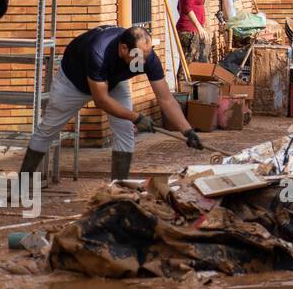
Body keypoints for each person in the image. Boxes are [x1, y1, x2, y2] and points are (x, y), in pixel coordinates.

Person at [18, 26, 202, 181]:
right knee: (47, 130)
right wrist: (135, 117)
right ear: (123, 48)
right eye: (137, 57)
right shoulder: (99, 51)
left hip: (113, 81)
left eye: (145, 57)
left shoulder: (146, 55)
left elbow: (166, 98)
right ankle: (22, 184)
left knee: (125, 131)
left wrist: (187, 130)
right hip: (73, 83)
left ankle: (119, 188)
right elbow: (101, 100)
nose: (142, 63)